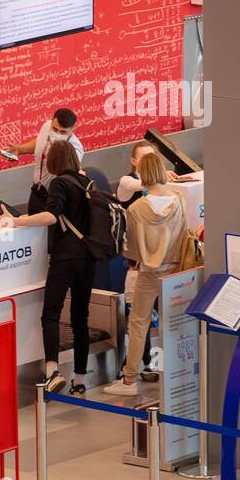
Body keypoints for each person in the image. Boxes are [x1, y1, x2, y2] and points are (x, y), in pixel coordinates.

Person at [0, 139, 95, 396]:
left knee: (51, 313)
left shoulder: (59, 183)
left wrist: (15, 221)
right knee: (80, 317)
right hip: (88, 257)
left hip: (65, 257)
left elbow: (51, 216)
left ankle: (53, 371)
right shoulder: (87, 182)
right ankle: (80, 379)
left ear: (53, 162)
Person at [104, 152, 187, 397]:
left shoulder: (138, 208)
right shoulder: (179, 200)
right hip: (174, 271)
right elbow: (184, 235)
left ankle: (129, 380)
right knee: (175, 324)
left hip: (149, 273)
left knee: (139, 324)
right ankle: (179, 372)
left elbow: (132, 247)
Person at [2, 107, 84, 189]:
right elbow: (40, 143)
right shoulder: (47, 126)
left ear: (73, 128)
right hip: (37, 186)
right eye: (55, 129)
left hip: (56, 193)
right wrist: (19, 149)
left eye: (63, 132)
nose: (57, 134)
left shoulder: (75, 149)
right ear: (52, 121)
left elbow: (68, 175)